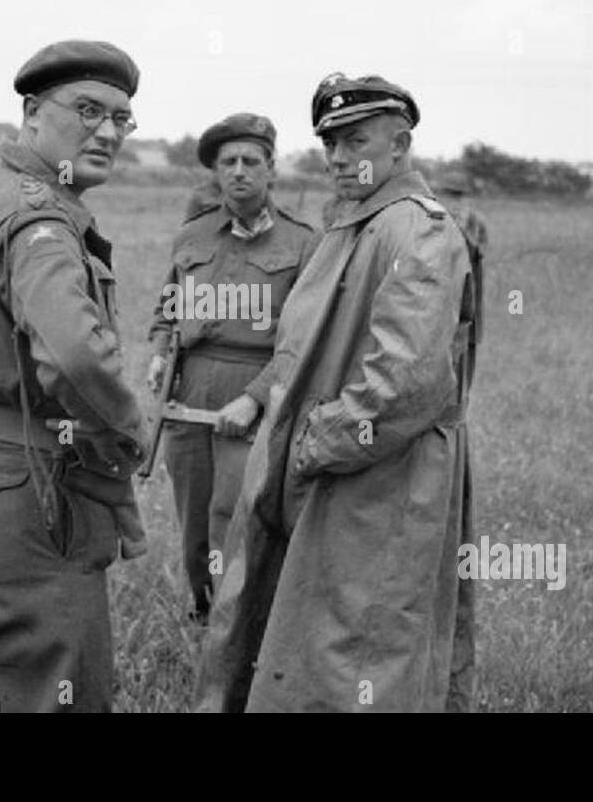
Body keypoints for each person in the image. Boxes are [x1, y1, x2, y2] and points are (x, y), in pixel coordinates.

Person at [195, 73, 482, 712]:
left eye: (356, 141)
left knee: (361, 652)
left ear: (401, 144)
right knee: (300, 640)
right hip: (329, 475)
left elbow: (401, 386)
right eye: (330, 144)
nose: (341, 157)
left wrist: (309, 446)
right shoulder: (354, 223)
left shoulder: (418, 231)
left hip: (378, 482)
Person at [0, 39, 148, 712]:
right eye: (88, 109)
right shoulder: (40, 218)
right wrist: (127, 436)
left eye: (121, 118)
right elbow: (74, 355)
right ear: (33, 111)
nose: (107, 131)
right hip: (34, 507)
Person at [146, 113, 319, 624]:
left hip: (255, 391)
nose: (239, 171)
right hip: (189, 390)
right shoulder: (193, 235)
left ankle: (237, 629)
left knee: (234, 516)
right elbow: (167, 307)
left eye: (251, 161)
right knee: (193, 516)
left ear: (272, 170)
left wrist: (255, 398)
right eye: (228, 163)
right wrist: (160, 350)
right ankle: (200, 618)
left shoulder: (305, 243)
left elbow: (305, 339)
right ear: (216, 174)